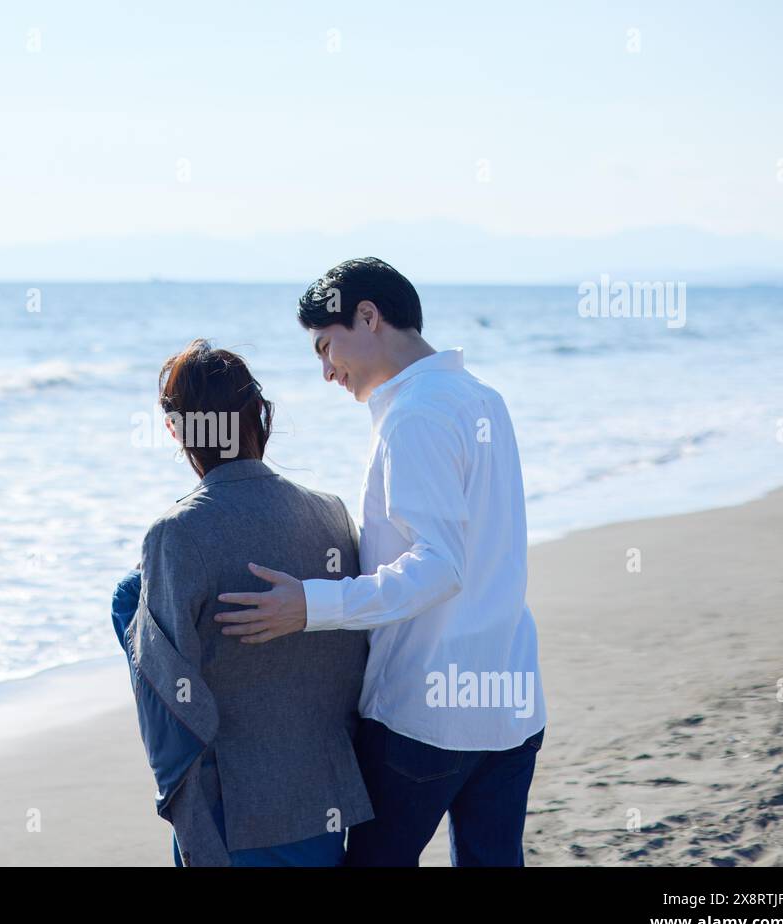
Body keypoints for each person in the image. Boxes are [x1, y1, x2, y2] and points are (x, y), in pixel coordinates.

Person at [213, 257, 547, 866]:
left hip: (426, 716)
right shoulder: (482, 398)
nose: (325, 372)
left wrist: (309, 605)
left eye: (325, 346)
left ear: (367, 316)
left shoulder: (414, 415)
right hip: (510, 699)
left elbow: (439, 566)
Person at [111, 339, 372, 866]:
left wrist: (185, 819)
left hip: (236, 810)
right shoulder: (332, 514)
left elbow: (169, 704)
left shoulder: (177, 533)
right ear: (261, 416)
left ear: (178, 431)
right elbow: (353, 657)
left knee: (127, 596)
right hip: (325, 794)